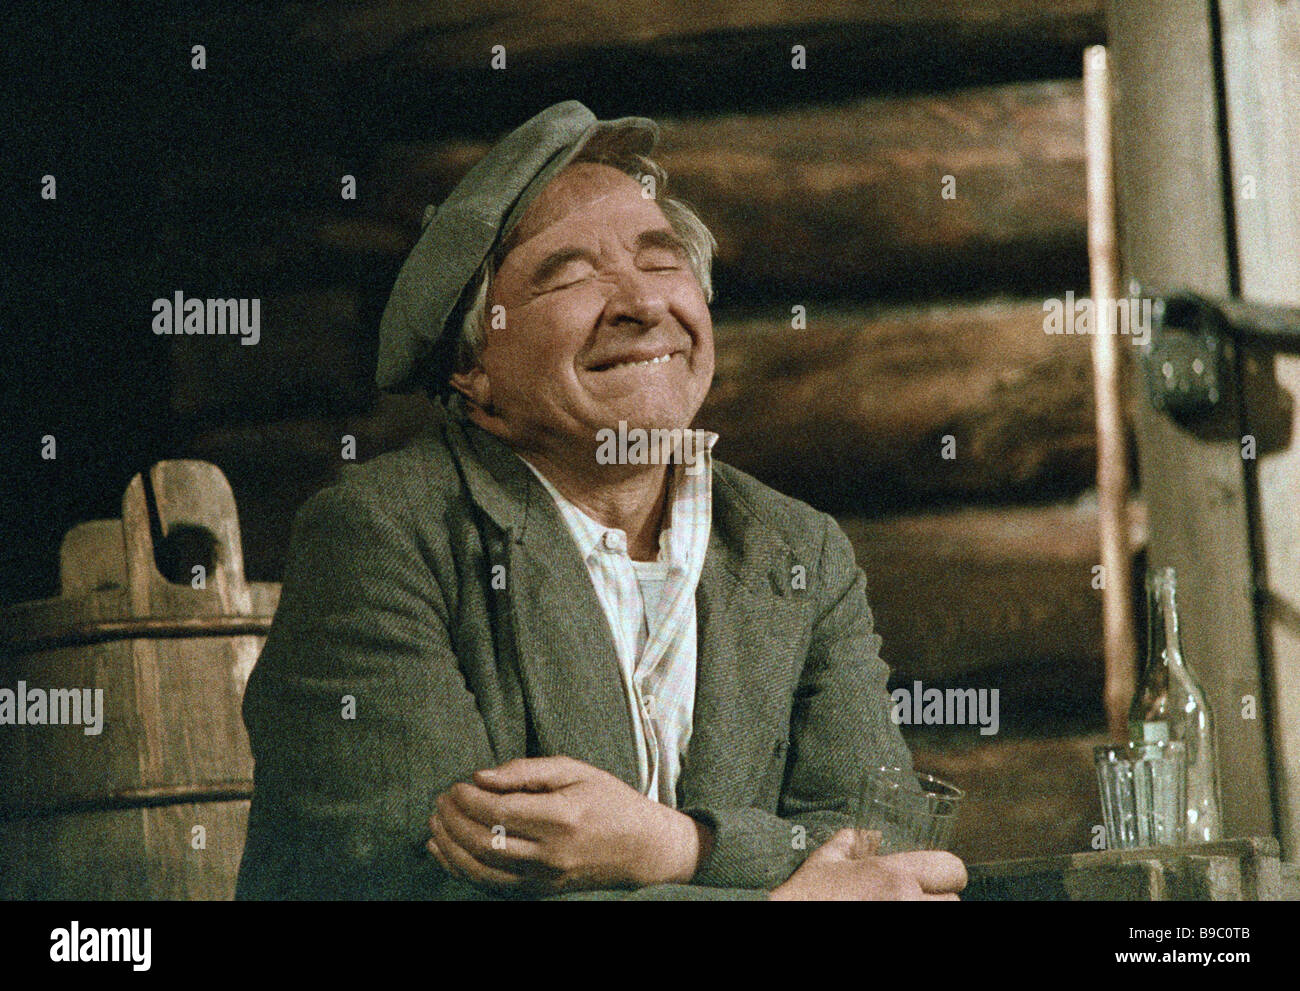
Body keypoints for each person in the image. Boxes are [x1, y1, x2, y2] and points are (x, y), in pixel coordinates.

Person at [235, 100, 967, 901]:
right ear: (471, 366)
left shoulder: (798, 550)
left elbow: (885, 847)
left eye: (661, 262)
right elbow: (436, 891)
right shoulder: (382, 536)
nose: (641, 303)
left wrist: (677, 844)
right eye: (574, 274)